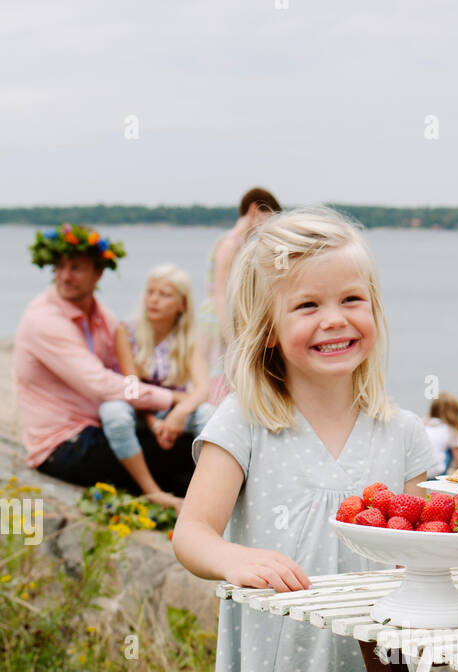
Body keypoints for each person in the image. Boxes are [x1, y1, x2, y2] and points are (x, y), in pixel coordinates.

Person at [172, 206, 435, 672]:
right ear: (267, 330)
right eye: (308, 305)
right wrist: (232, 558)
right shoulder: (244, 422)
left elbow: (422, 546)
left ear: (375, 311)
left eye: (351, 300)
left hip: (376, 664)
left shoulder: (404, 433)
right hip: (280, 660)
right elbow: (192, 532)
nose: (334, 319)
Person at [14, 223, 189, 503]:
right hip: (63, 443)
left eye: (76, 268)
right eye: (59, 267)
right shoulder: (43, 320)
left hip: (98, 427)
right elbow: (100, 384)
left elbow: (121, 372)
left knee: (184, 445)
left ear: (98, 273)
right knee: (183, 451)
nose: (65, 276)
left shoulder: (101, 315)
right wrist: (172, 398)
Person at [98, 265, 214, 488]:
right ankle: (148, 486)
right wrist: (153, 424)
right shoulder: (127, 331)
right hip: (138, 409)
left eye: (164, 295)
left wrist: (179, 413)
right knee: (113, 411)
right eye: (151, 292)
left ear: (182, 305)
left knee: (209, 413)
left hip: (172, 410)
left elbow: (202, 389)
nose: (154, 300)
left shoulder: (189, 338)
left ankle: (205, 486)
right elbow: (132, 389)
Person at [199, 187, 282, 405]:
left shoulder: (239, 243)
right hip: (218, 319)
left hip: (227, 316)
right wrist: (231, 336)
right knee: (220, 378)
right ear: (254, 210)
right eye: (267, 218)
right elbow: (220, 292)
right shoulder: (230, 244)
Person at [423, 392, 458, 478]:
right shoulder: (451, 430)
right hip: (434, 475)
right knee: (450, 451)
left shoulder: (422, 424)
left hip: (416, 474)